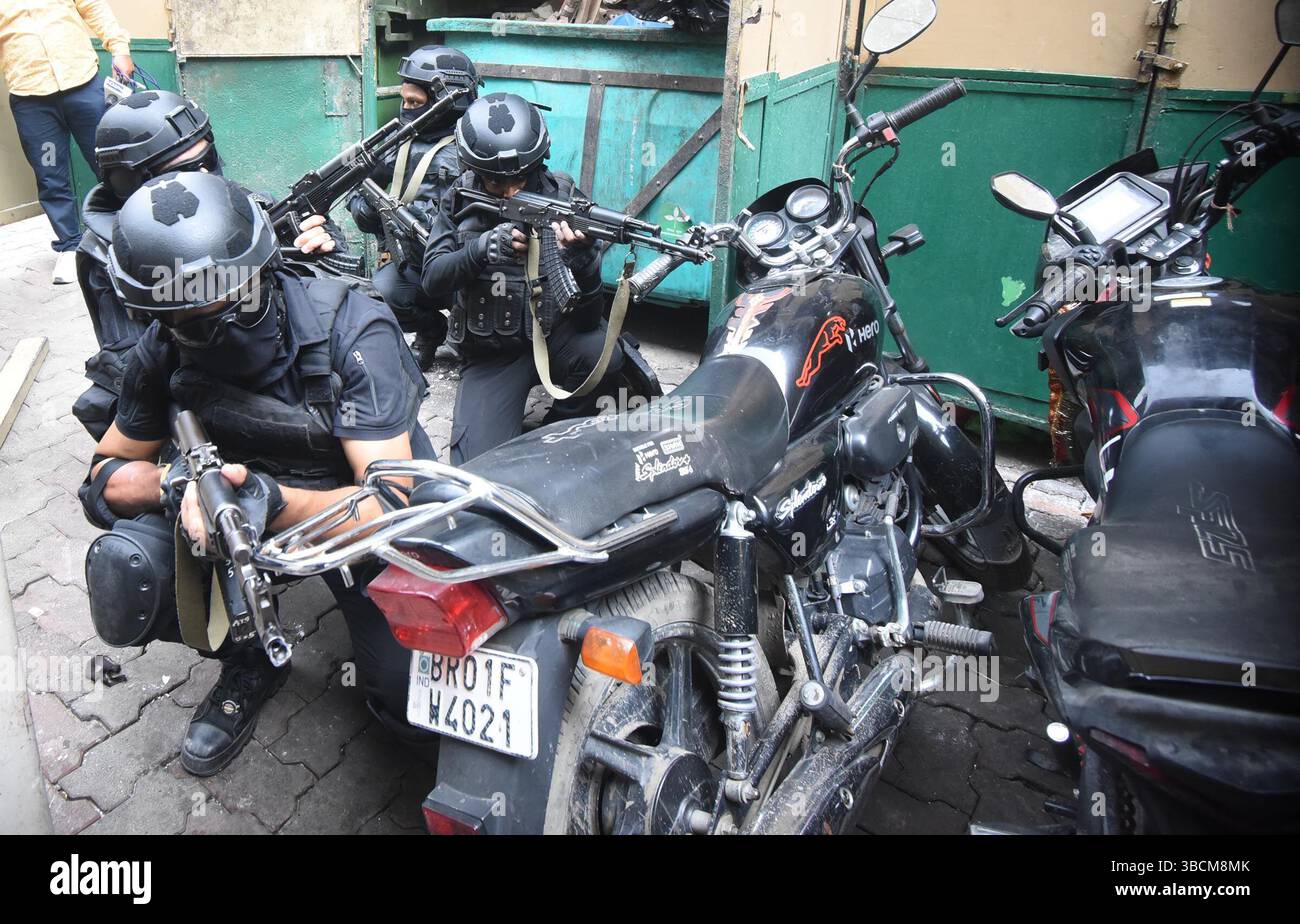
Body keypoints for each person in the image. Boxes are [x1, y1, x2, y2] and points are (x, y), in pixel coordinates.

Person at [81, 170, 433, 776]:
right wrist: (176, 487)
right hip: (233, 501)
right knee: (130, 571)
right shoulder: (164, 342)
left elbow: (391, 506)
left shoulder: (350, 328)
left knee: (407, 698)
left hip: (348, 513)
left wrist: (270, 501)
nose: (194, 333)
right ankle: (252, 660)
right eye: (176, 319)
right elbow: (103, 475)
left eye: (216, 309)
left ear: (261, 274)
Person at [73, 89, 352, 440]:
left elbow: (326, 289)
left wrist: (320, 247)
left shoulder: (237, 202)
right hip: (198, 377)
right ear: (134, 183)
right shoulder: (105, 253)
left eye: (209, 157)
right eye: (187, 170)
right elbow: (136, 359)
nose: (206, 174)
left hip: (279, 353)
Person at [422, 92, 625, 464]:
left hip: (556, 336)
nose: (512, 192)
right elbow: (432, 281)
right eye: (496, 184)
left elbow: (587, 318)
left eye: (521, 180)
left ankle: (554, 436)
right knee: (476, 468)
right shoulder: (457, 199)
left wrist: (585, 266)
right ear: (473, 171)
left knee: (605, 355)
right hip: (492, 353)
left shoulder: (563, 198)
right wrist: (479, 250)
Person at [347, 44, 477, 370]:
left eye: (415, 103)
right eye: (403, 100)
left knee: (480, 318)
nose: (405, 109)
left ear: (447, 101)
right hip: (414, 259)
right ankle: (431, 330)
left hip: (465, 264)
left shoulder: (476, 148)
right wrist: (362, 208)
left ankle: (476, 347)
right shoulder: (397, 140)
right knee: (385, 293)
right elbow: (354, 181)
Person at [0, 0, 131, 283]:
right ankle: (71, 246)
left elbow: (94, 8)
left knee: (108, 160)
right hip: (32, 102)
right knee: (50, 173)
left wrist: (119, 48)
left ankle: (132, 233)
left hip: (83, 88)